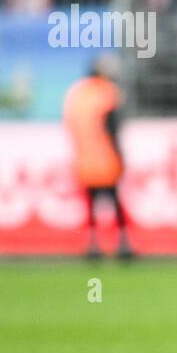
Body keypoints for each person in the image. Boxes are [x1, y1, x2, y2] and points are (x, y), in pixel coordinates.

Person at [62, 52, 133, 259]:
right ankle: (123, 243)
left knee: (91, 204)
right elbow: (112, 127)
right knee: (114, 201)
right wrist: (119, 154)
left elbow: (71, 124)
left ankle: (92, 244)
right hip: (105, 157)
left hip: (84, 157)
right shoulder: (106, 93)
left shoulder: (77, 93)